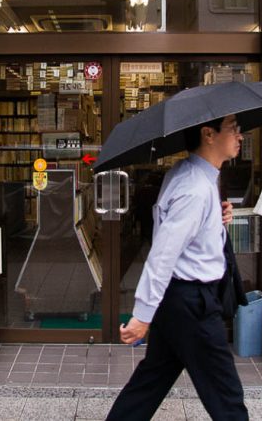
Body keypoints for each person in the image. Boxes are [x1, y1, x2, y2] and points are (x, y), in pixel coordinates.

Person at [106, 114, 249, 421]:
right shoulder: (195, 188)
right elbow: (163, 253)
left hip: (180, 302)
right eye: (233, 128)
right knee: (227, 397)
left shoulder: (192, 175)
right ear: (208, 134)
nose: (240, 136)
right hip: (193, 304)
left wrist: (218, 219)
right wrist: (142, 316)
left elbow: (186, 237)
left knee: (150, 383)